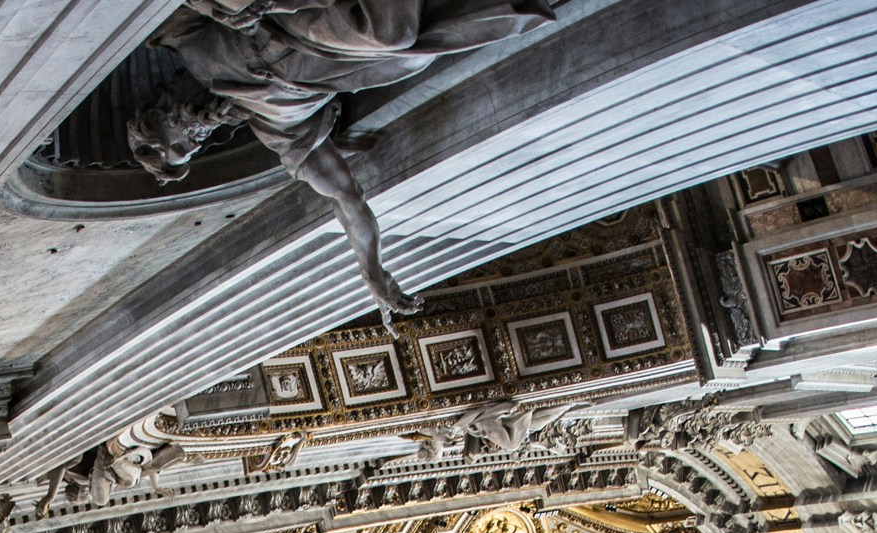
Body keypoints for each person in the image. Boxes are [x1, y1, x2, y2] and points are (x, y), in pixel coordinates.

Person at [130, 0, 558, 316]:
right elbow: (346, 198)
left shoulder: (185, 41)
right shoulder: (275, 129)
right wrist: (372, 271)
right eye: (194, 145)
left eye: (178, 137)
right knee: (406, 48)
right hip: (335, 56)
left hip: (295, 22)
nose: (195, 133)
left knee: (387, 33)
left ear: (159, 109)